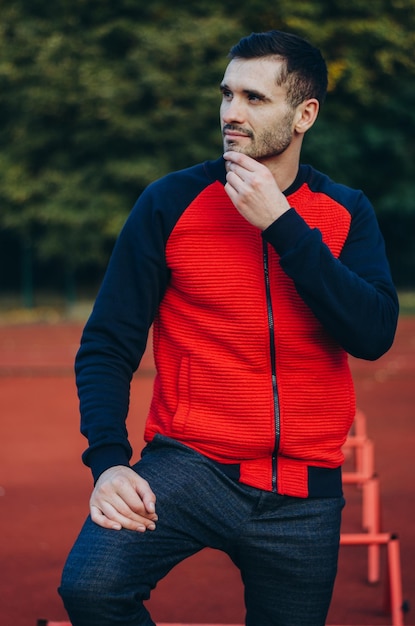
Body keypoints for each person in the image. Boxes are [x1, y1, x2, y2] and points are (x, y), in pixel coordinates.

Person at [59, 30, 399, 626]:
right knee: (91, 586)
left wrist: (284, 227)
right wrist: (108, 461)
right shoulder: (170, 202)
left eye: (254, 98)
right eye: (227, 94)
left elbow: (372, 335)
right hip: (190, 466)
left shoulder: (346, 211)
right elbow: (107, 345)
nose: (232, 113)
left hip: (304, 493)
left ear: (304, 114)